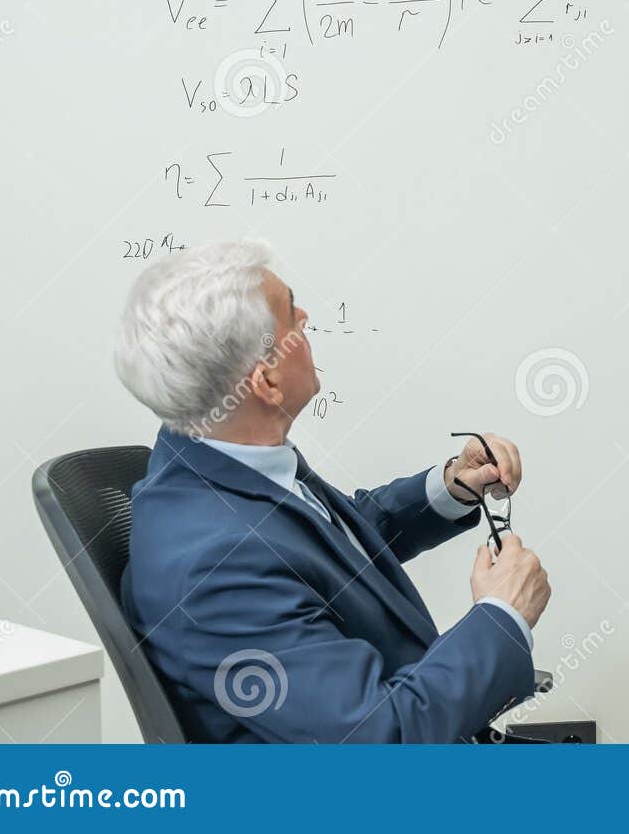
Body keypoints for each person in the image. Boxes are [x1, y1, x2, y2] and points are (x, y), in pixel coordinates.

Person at [113, 239, 551, 742]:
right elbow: (379, 739)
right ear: (267, 383)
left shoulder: (212, 455)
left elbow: (324, 546)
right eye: (288, 313)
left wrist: (449, 488)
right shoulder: (213, 571)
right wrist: (502, 616)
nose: (305, 316)